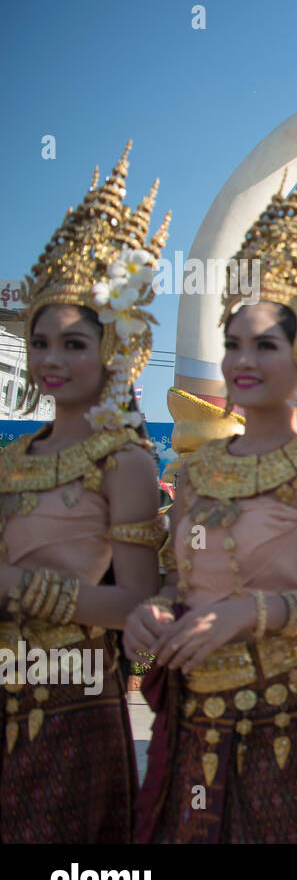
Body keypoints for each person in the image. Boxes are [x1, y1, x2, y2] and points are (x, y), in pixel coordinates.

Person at [126, 150, 297, 842]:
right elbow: (179, 582)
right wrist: (148, 613)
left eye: (264, 345)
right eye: (233, 343)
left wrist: (251, 613)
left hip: (288, 716)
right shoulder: (199, 470)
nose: (241, 360)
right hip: (195, 714)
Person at [0, 144, 167, 841]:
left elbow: (137, 602)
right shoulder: (11, 458)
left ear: (112, 352)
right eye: (41, 343)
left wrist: (19, 587)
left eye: (73, 344)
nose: (50, 360)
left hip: (74, 695)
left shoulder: (122, 462)